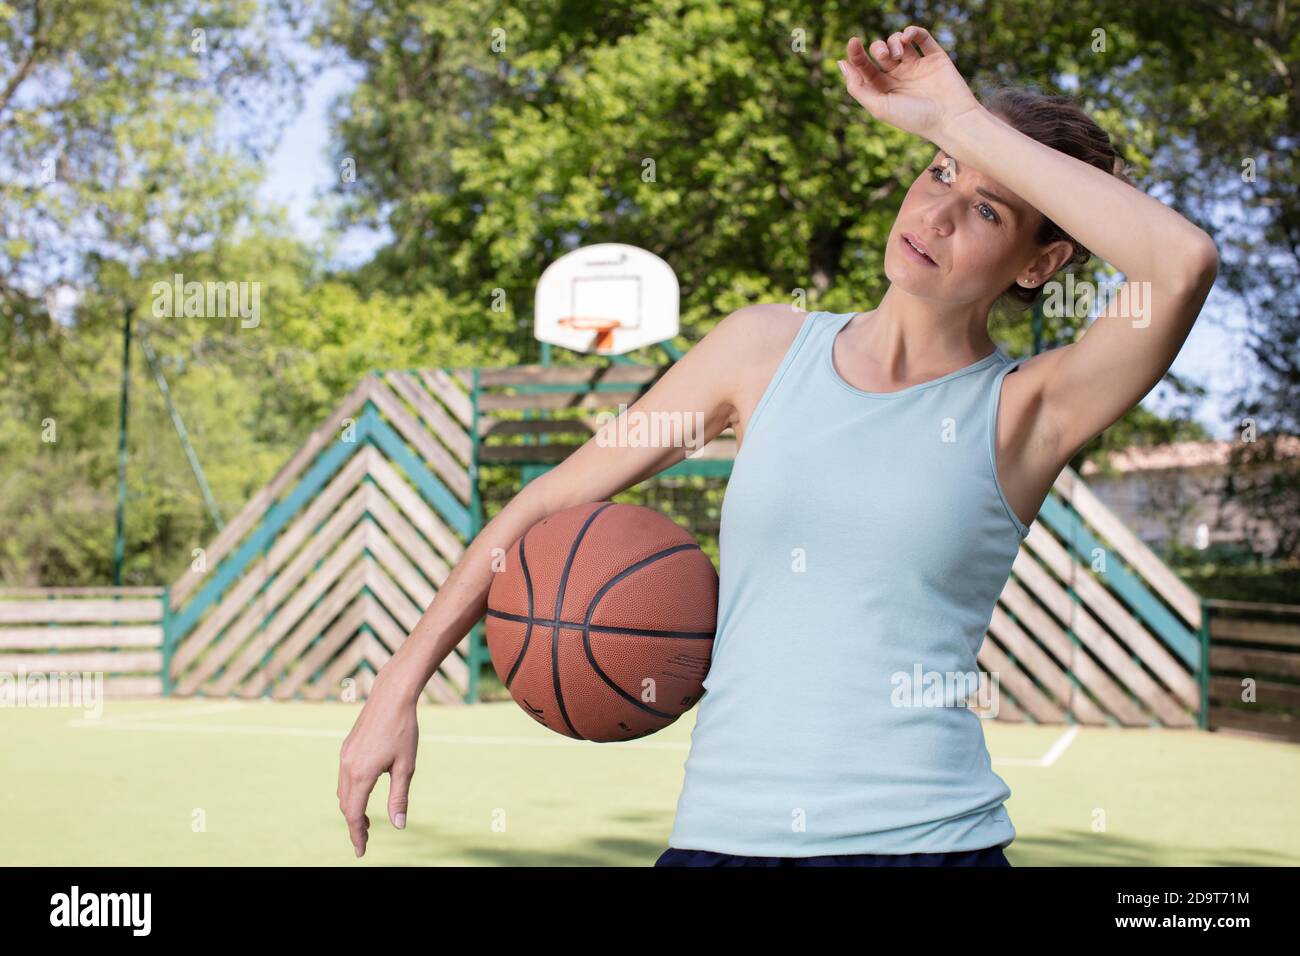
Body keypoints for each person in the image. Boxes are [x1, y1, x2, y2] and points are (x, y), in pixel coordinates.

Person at [336, 24, 1218, 865]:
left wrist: (961, 120)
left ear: (1038, 264)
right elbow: (548, 502)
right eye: (939, 171)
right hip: (724, 836)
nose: (938, 214)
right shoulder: (761, 351)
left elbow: (1179, 264)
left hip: (925, 847)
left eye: (986, 209)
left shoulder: (1029, 411)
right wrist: (399, 683)